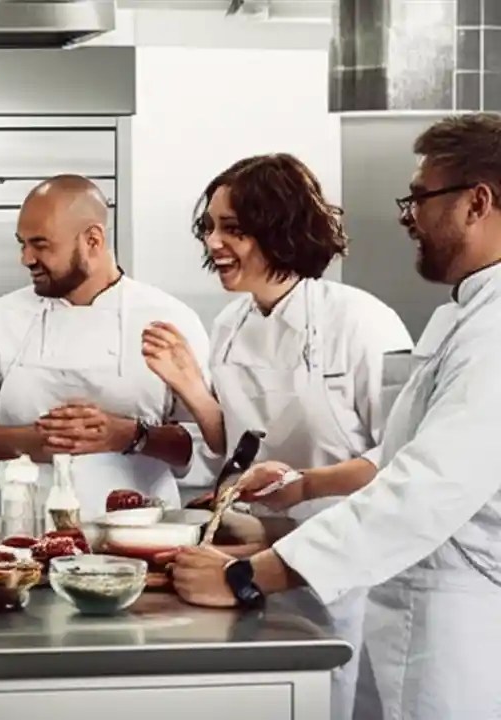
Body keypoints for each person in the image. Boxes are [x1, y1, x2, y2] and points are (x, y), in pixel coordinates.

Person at [168, 113, 501, 720]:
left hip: (452, 613)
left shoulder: (478, 328)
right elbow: (407, 457)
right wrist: (270, 535)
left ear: (478, 202)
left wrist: (252, 575)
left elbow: (418, 488)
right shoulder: (461, 316)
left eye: (421, 198)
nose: (409, 216)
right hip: (369, 583)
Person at [141, 153, 412, 720]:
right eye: (211, 227)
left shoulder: (362, 321)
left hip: (346, 558)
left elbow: (399, 457)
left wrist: (303, 486)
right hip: (260, 553)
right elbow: (235, 444)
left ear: (282, 228)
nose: (215, 242)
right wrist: (191, 387)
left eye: (233, 229)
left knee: (338, 696)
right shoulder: (230, 326)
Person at [0, 174, 209, 512]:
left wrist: (128, 435)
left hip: (141, 530)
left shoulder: (169, 319)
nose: (25, 258)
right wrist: (32, 442)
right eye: (22, 244)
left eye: (40, 245)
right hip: (24, 530)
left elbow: (203, 442)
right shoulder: (3, 316)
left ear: (93, 240)